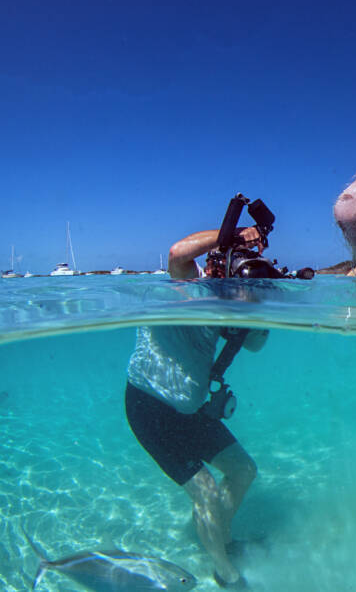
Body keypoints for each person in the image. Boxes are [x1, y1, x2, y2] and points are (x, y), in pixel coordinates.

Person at [125, 226, 269, 588]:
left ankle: (222, 538)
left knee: (243, 469)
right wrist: (235, 234)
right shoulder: (189, 283)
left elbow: (255, 345)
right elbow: (177, 253)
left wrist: (258, 302)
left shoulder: (229, 306)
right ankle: (224, 571)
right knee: (204, 488)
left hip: (190, 412)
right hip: (149, 405)